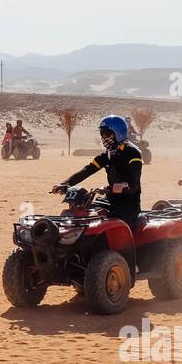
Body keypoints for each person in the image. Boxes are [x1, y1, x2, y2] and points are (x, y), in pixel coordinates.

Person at [52, 115, 143, 271]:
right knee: (85, 212)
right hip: (110, 199)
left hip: (128, 203)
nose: (103, 138)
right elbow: (88, 170)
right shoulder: (107, 154)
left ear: (117, 133)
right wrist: (65, 184)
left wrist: (123, 185)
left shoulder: (132, 152)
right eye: (102, 134)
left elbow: (134, 180)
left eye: (106, 134)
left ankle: (130, 265)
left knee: (120, 226)